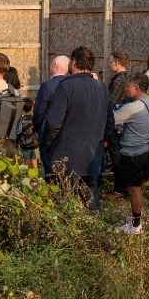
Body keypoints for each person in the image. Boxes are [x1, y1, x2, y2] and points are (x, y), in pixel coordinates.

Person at [42, 46, 115, 209]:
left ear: (73, 62)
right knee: (90, 200)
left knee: (63, 203)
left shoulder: (66, 87)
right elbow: (110, 122)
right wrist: (103, 143)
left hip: (66, 155)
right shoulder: (102, 88)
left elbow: (53, 123)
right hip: (93, 155)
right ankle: (92, 230)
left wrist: (48, 145)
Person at [113, 74, 149, 234]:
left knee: (134, 188)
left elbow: (111, 119)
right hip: (145, 150)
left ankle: (136, 225)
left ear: (136, 88)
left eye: (128, 86)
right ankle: (136, 217)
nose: (125, 89)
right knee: (138, 186)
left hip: (133, 154)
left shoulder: (133, 107)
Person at [34, 55, 70, 170]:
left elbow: (39, 112)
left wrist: (39, 130)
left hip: (48, 134)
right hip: (68, 133)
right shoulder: (71, 85)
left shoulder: (47, 86)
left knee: (50, 170)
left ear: (54, 66)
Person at [17, 98, 39, 169]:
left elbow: (18, 132)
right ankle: (36, 171)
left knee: (26, 159)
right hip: (33, 143)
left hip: (25, 144)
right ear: (31, 108)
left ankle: (26, 173)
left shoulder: (21, 120)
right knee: (33, 157)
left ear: (22, 109)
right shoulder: (34, 118)